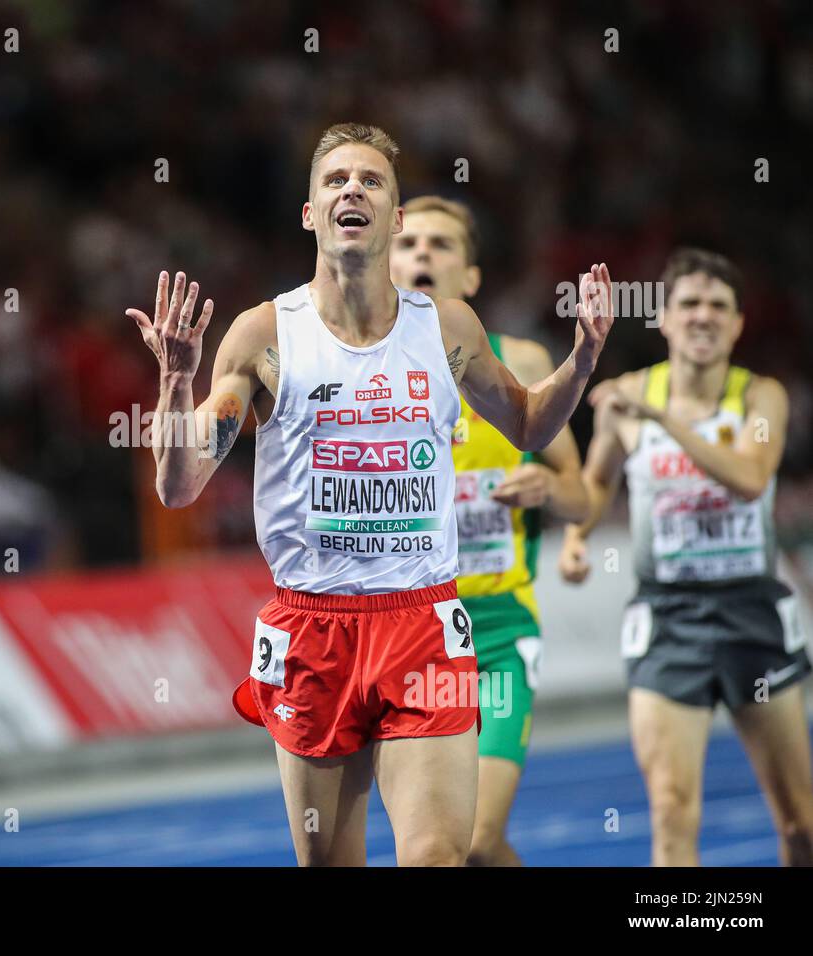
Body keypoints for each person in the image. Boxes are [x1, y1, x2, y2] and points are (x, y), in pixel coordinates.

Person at [127, 122, 614, 866]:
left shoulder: (446, 326)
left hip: (421, 621)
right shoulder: (264, 334)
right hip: (314, 630)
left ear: (393, 217)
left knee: (440, 855)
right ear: (309, 212)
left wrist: (580, 363)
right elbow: (178, 483)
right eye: (334, 181)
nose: (352, 189)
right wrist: (175, 380)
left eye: (372, 181)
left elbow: (525, 425)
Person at [559, 247, 813, 866]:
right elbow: (597, 486)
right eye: (690, 304)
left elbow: (752, 479)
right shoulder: (629, 400)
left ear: (738, 324)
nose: (704, 317)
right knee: (672, 807)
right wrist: (575, 535)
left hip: (752, 611)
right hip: (668, 617)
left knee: (802, 825)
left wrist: (663, 419)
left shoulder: (760, 398)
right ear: (665, 319)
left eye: (719, 307)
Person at [389, 196, 588, 865]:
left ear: (471, 278)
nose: (422, 255)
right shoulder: (355, 371)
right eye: (409, 242)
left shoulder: (520, 361)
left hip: (497, 631)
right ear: (386, 261)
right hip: (408, 633)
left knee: (471, 838)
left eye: (441, 245)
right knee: (449, 847)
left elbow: (583, 498)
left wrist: (548, 487)